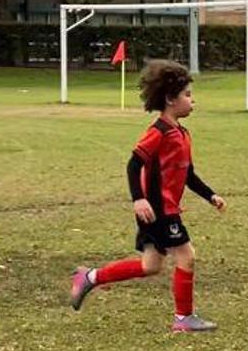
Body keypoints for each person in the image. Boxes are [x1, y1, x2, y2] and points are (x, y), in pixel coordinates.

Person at [69, 60, 228, 332]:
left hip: (162, 210)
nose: (193, 100)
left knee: (151, 265)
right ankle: (183, 318)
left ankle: (90, 277)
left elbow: (188, 174)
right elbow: (133, 164)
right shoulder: (158, 132)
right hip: (158, 210)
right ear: (170, 99)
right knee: (186, 256)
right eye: (187, 95)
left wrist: (210, 195)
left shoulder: (183, 133)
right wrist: (138, 199)